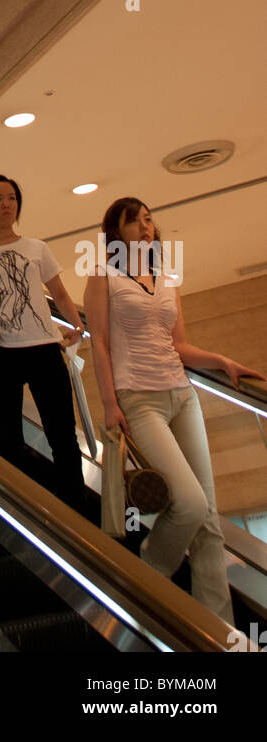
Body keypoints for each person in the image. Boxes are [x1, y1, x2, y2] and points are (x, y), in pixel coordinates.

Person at [84, 196, 263, 623]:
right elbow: (100, 345)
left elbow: (178, 345)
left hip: (182, 396)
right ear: (116, 231)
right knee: (188, 503)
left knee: (210, 523)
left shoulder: (166, 273)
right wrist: (109, 403)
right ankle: (148, 576)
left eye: (149, 219)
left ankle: (220, 635)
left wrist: (221, 360)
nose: (146, 227)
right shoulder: (103, 275)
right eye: (135, 221)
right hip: (137, 400)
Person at [0, 175, 86, 509]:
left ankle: (75, 512)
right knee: (5, 442)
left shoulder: (36, 248)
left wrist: (77, 327)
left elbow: (58, 292)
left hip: (45, 350)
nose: (6, 204)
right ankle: (21, 511)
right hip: (1, 354)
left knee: (62, 436)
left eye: (12, 198)